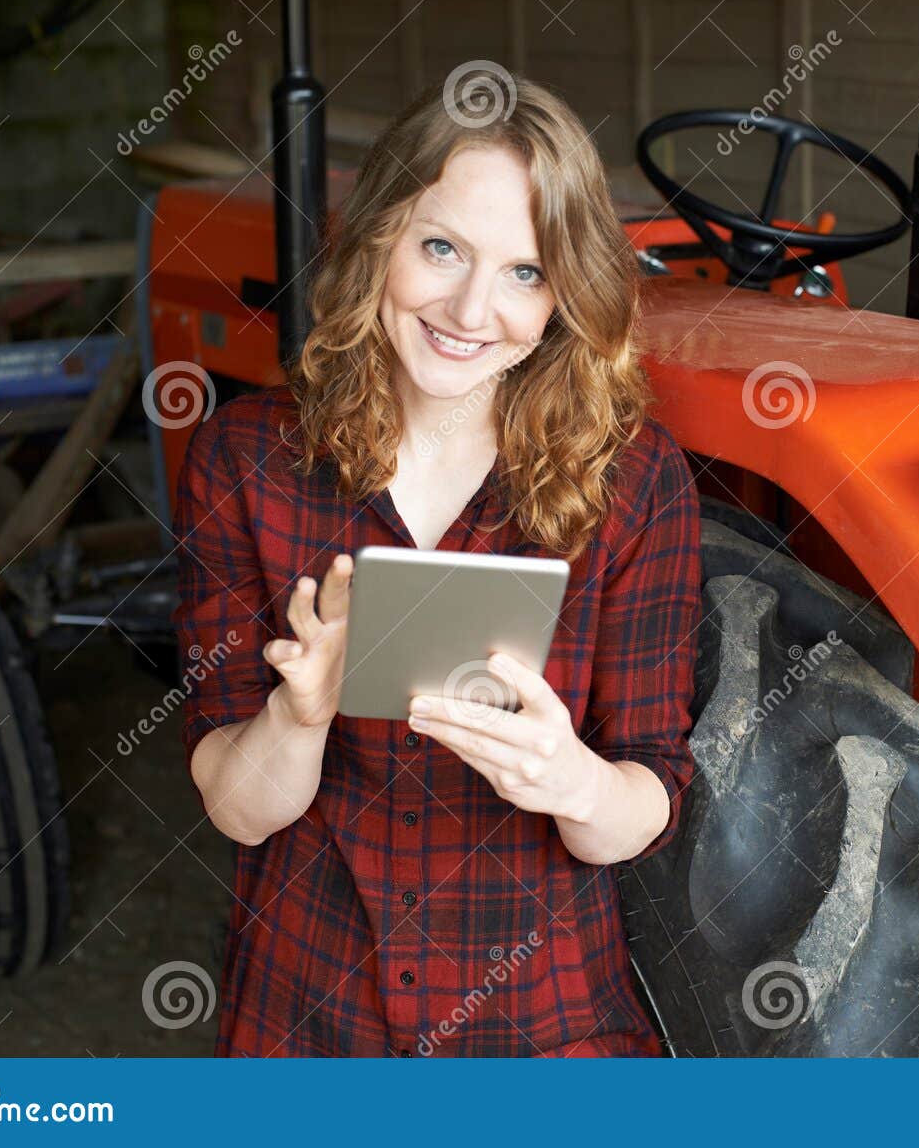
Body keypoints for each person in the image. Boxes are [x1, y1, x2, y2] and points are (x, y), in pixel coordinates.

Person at [170, 71, 702, 1057]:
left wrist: (571, 780)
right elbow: (240, 815)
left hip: (536, 1030)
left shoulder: (635, 484)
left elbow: (640, 808)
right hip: (312, 1017)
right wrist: (298, 713)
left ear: (566, 293)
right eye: (442, 247)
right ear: (380, 238)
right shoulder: (247, 461)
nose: (469, 307)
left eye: (525, 272)